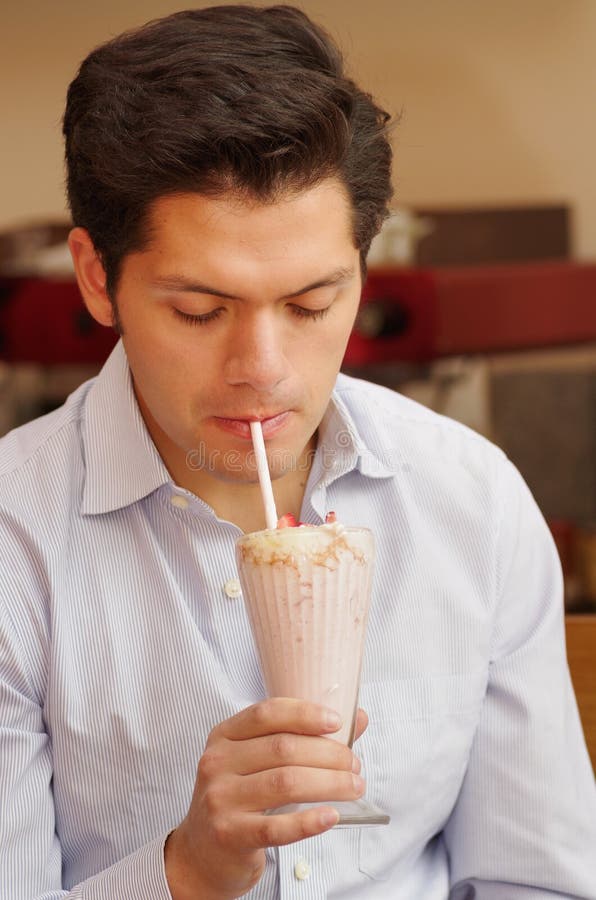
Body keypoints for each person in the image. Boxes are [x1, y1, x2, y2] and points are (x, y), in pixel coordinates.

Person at [1, 5, 595, 899]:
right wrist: (190, 872)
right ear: (97, 277)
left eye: (314, 304)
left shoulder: (469, 499)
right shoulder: (17, 540)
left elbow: (537, 880)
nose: (263, 371)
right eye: (200, 312)